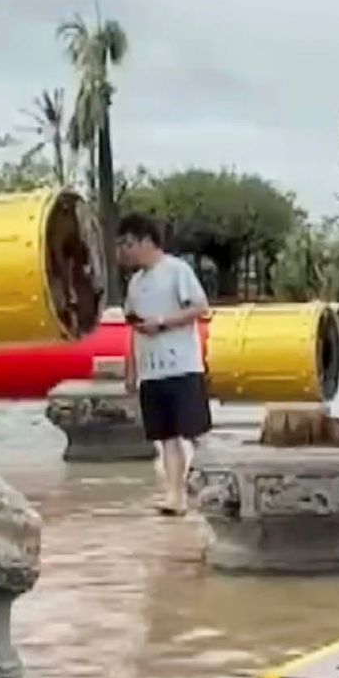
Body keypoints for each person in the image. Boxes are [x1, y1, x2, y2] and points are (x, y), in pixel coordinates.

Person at [117, 213, 214, 515]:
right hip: (151, 370)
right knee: (166, 437)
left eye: (129, 244)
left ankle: (215, 487)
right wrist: (131, 370)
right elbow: (133, 327)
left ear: (147, 241)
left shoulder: (176, 270)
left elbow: (200, 307)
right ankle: (175, 496)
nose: (125, 251)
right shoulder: (135, 283)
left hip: (182, 365)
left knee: (196, 433)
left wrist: (161, 323)